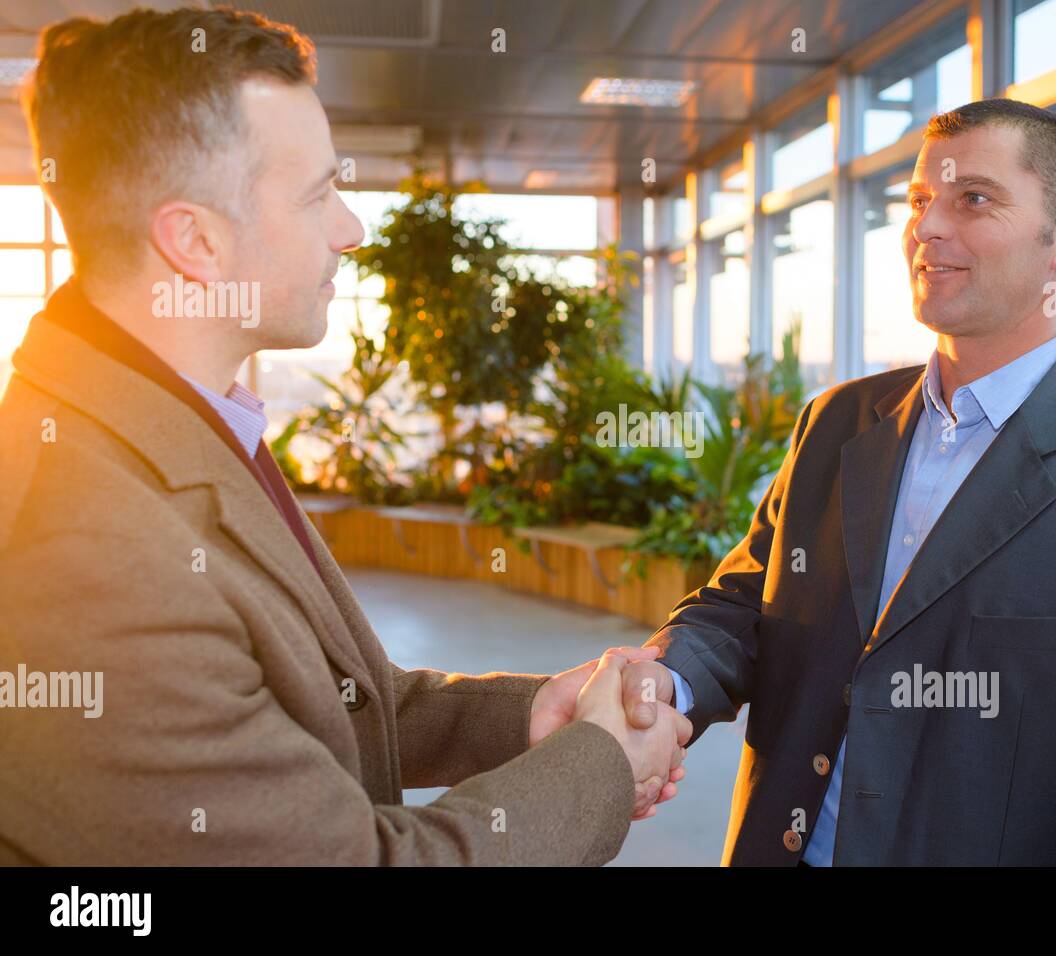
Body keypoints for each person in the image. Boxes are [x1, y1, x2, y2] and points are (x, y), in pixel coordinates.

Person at [0, 6, 688, 866]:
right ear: (195, 242)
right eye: (319, 194)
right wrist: (603, 766)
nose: (351, 229)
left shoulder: (175, 418)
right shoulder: (86, 557)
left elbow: (335, 700)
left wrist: (532, 712)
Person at [618, 98, 1056, 866]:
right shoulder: (836, 422)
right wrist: (663, 685)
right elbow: (745, 606)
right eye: (918, 201)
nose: (926, 228)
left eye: (973, 198)